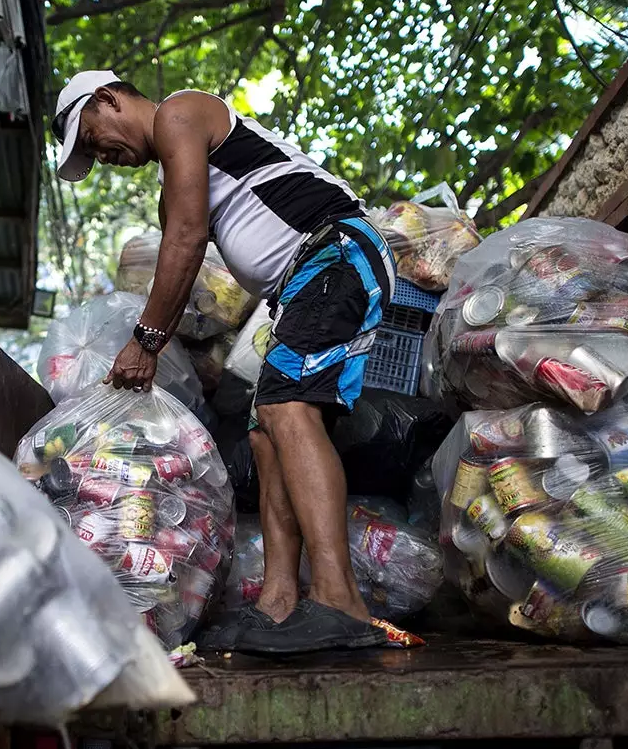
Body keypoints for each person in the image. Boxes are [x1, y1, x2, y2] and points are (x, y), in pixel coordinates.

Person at [51, 71, 399, 654]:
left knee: (288, 409)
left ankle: (340, 601)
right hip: (303, 281)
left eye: (91, 139)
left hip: (336, 252)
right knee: (267, 432)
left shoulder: (180, 113)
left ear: (108, 99)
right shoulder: (171, 172)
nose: (102, 158)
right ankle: (279, 604)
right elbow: (177, 249)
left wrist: (146, 341)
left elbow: (186, 238)